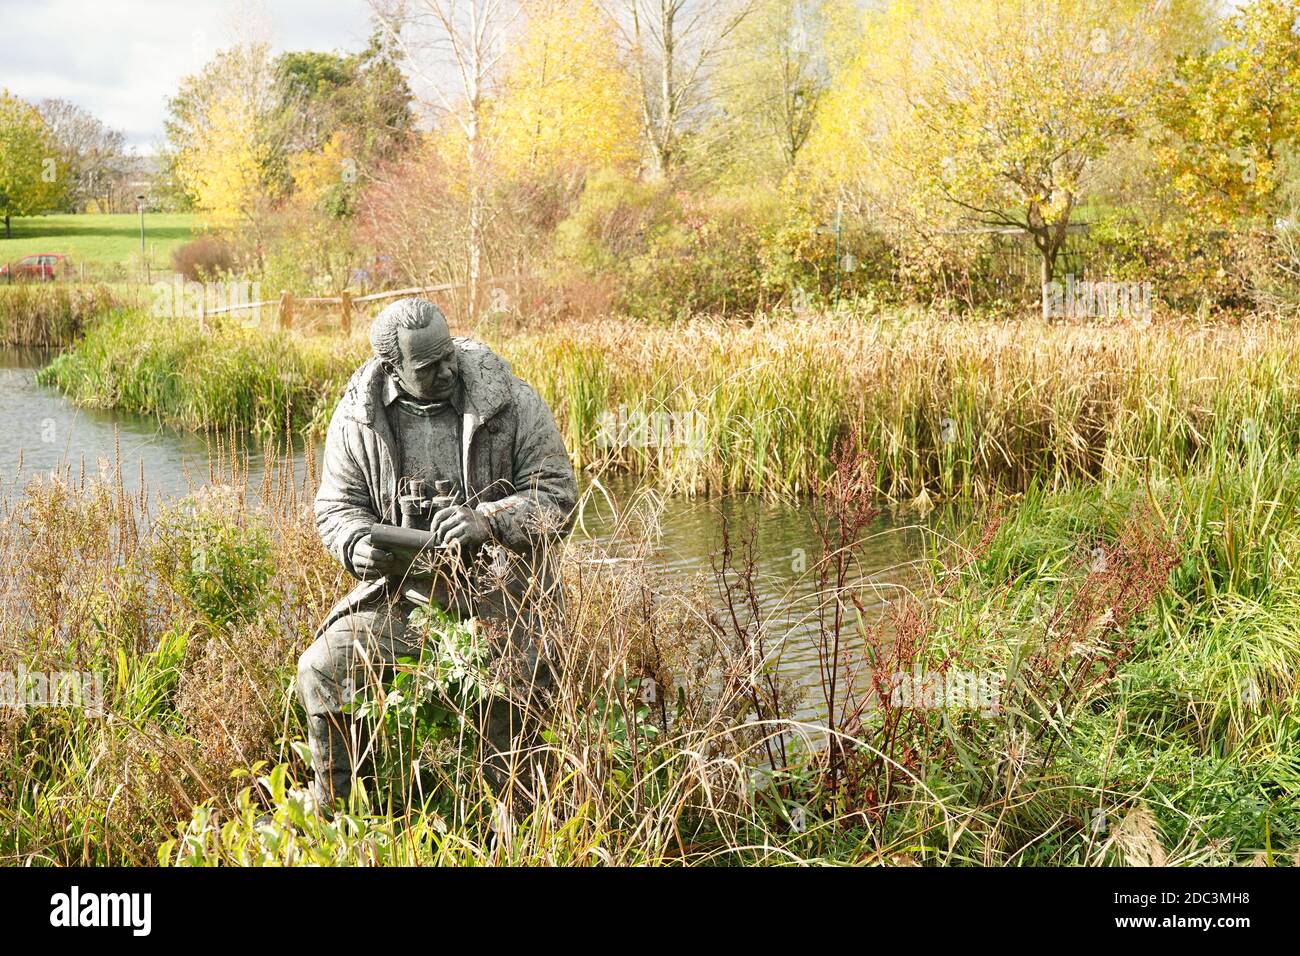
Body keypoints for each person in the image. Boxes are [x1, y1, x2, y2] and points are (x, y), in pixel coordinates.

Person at [297, 297, 577, 807]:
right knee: (322, 669)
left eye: (448, 354)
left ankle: (517, 824)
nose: (448, 369)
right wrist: (357, 544)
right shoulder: (358, 418)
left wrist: (488, 521)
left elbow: (558, 496)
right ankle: (344, 815)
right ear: (393, 369)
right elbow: (337, 508)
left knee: (508, 690)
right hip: (402, 598)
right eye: (428, 367)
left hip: (504, 596)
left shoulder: (509, 401)